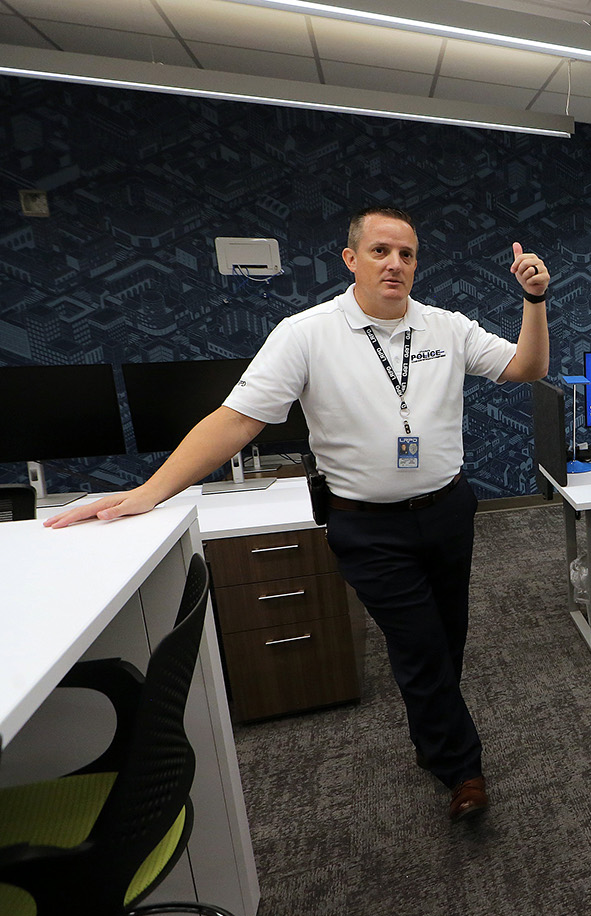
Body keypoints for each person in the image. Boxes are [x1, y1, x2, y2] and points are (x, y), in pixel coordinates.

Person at [47, 206, 550, 822]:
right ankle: (462, 769)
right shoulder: (305, 333)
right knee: (419, 644)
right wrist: (151, 491)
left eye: (408, 254)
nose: (395, 264)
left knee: (446, 639)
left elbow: (528, 368)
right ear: (351, 259)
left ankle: (432, 737)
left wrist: (534, 300)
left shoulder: (447, 327)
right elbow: (238, 419)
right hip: (368, 526)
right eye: (380, 251)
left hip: (448, 510)